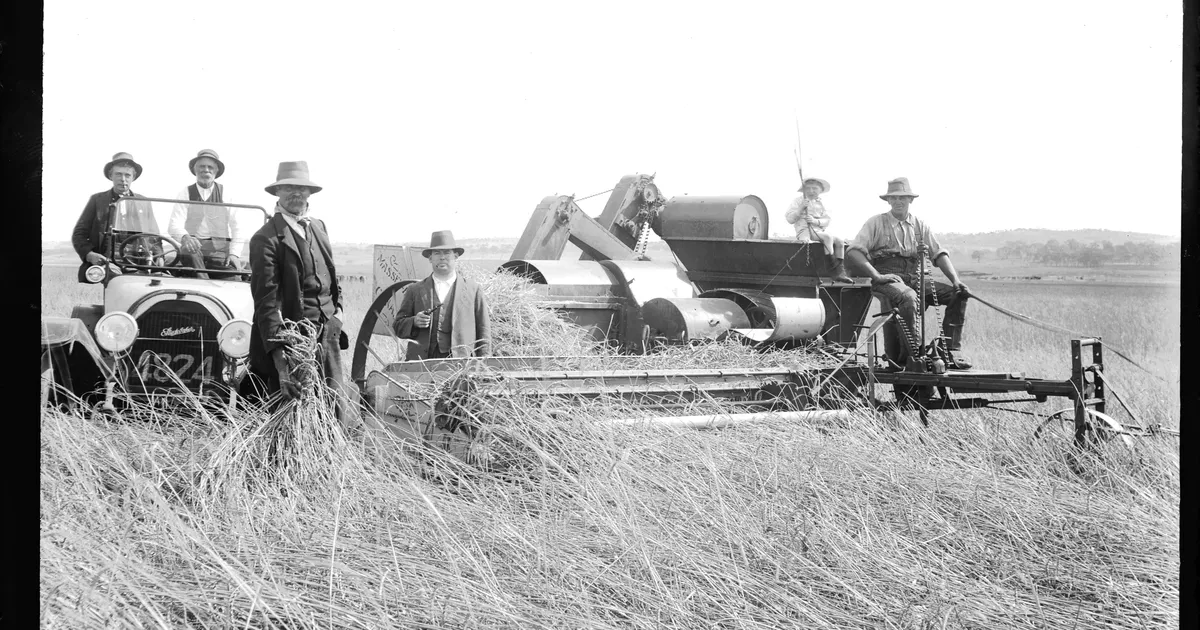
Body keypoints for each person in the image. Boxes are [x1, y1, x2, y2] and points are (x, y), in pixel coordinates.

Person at [245, 161, 354, 422]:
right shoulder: (266, 238)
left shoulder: (318, 227)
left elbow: (329, 272)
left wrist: (337, 311)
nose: (297, 193)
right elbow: (266, 303)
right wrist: (281, 364)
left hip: (327, 332)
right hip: (292, 339)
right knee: (291, 412)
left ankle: (332, 460)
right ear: (278, 193)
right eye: (290, 188)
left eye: (302, 188)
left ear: (310, 193)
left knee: (333, 406)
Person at [844, 177, 972, 370]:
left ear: (910, 200)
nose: (898, 202)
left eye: (902, 198)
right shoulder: (876, 223)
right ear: (888, 200)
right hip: (887, 278)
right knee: (909, 298)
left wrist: (956, 281)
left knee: (957, 294)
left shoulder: (920, 225)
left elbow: (938, 253)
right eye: (894, 198)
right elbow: (854, 251)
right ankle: (913, 357)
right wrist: (877, 276)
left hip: (915, 277)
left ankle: (950, 352)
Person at [393, 231, 492, 360]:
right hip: (422, 362)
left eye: (447, 253)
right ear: (430, 258)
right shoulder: (414, 290)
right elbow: (398, 326)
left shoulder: (473, 290)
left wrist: (483, 364)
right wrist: (414, 321)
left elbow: (484, 330)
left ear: (456, 256)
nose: (442, 257)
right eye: (437, 253)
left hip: (462, 362)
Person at [71, 152, 160, 282]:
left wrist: (159, 255)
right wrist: (90, 255)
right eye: (118, 174)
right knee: (119, 284)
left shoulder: (144, 202)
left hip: (138, 260)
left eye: (127, 175)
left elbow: (154, 235)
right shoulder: (97, 200)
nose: (123, 179)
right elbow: (79, 234)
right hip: (108, 261)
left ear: (133, 178)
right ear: (111, 176)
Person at [167, 149, 246, 279]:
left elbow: (238, 227)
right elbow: (174, 224)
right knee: (189, 250)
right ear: (195, 170)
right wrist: (186, 238)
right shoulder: (185, 192)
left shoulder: (227, 194)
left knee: (236, 280)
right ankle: (204, 283)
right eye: (202, 167)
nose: (206, 170)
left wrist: (234, 254)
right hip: (193, 251)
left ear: (216, 171)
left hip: (219, 253)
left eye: (210, 167)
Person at [785, 177, 852, 283]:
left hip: (819, 230)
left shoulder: (821, 203)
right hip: (805, 231)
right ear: (804, 190)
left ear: (820, 190)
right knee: (828, 237)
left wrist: (815, 221)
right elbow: (789, 219)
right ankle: (832, 271)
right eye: (808, 188)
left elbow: (827, 220)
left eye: (815, 188)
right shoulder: (798, 201)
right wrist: (801, 208)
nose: (811, 191)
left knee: (839, 241)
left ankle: (840, 272)